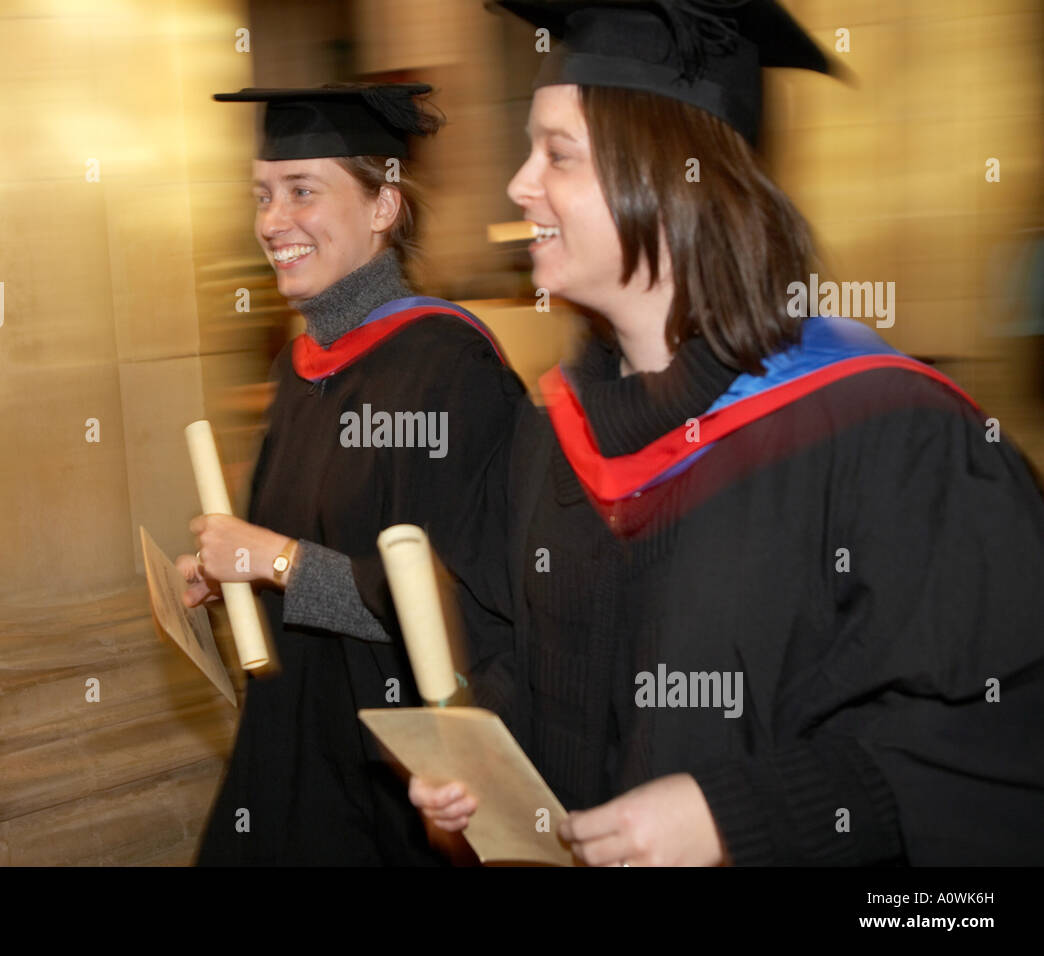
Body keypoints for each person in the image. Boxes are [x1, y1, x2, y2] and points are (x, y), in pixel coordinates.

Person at [412, 0, 1044, 865]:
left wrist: (736, 818)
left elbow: (994, 754)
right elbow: (518, 665)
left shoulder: (897, 439)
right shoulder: (548, 435)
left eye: (557, 154)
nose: (520, 186)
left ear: (674, 180)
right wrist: (483, 781)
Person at [185, 83, 526, 865]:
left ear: (383, 206)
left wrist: (274, 561)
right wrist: (231, 576)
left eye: (303, 191)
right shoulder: (298, 368)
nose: (273, 222)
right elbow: (297, 550)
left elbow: (464, 604)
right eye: (263, 195)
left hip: (394, 786)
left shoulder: (453, 369)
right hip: (291, 749)